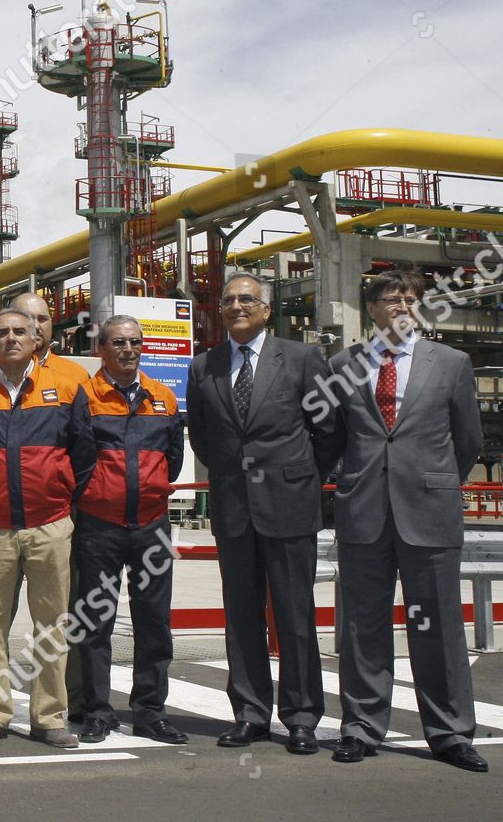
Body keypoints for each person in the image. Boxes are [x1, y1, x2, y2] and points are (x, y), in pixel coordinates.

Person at [326, 271, 488, 772]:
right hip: (364, 512)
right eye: (390, 298)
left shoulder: (453, 364)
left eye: (411, 298)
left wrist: (432, 480)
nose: (401, 305)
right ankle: (361, 726)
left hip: (429, 511)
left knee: (438, 625)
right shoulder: (344, 365)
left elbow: (469, 442)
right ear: (371, 308)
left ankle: (450, 732)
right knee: (361, 625)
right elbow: (332, 441)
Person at [186, 271, 340, 754]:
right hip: (234, 507)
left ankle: (300, 717)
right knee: (242, 615)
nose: (235, 306)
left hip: (289, 504)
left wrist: (298, 476)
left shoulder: (301, 358)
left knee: (295, 615)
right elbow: (203, 438)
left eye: (246, 299)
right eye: (228, 299)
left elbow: (329, 430)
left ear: (267, 308)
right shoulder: (203, 366)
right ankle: (251, 713)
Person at [0, 310, 95, 749]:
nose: (11, 338)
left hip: (50, 524)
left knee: (52, 624)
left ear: (37, 339)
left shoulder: (68, 386)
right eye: (1, 333)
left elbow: (85, 452)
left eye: (20, 331)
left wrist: (61, 497)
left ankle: (50, 717)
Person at [74, 315, 187, 745]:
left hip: (153, 525)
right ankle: (98, 711)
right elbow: (77, 457)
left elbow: (172, 460)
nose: (128, 349)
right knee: (95, 622)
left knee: (154, 622)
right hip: (99, 526)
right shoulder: (84, 395)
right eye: (118, 342)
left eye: (135, 342)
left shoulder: (163, 397)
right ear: (100, 349)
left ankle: (150, 712)